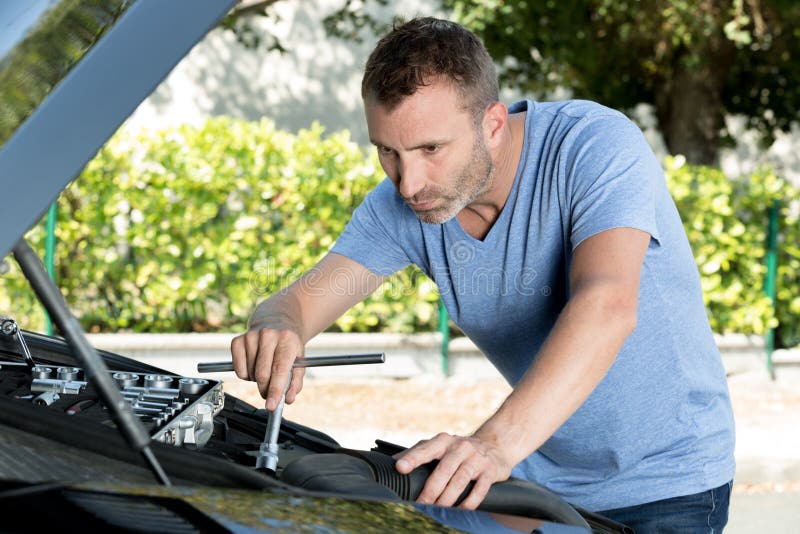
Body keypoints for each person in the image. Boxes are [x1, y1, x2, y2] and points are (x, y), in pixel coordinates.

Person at [230, 17, 735, 532]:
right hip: (537, 472)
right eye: (387, 151)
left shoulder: (594, 145)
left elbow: (606, 304)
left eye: (431, 149)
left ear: (493, 124)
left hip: (667, 480)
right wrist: (277, 326)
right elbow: (300, 301)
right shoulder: (404, 206)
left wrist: (493, 445)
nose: (408, 184)